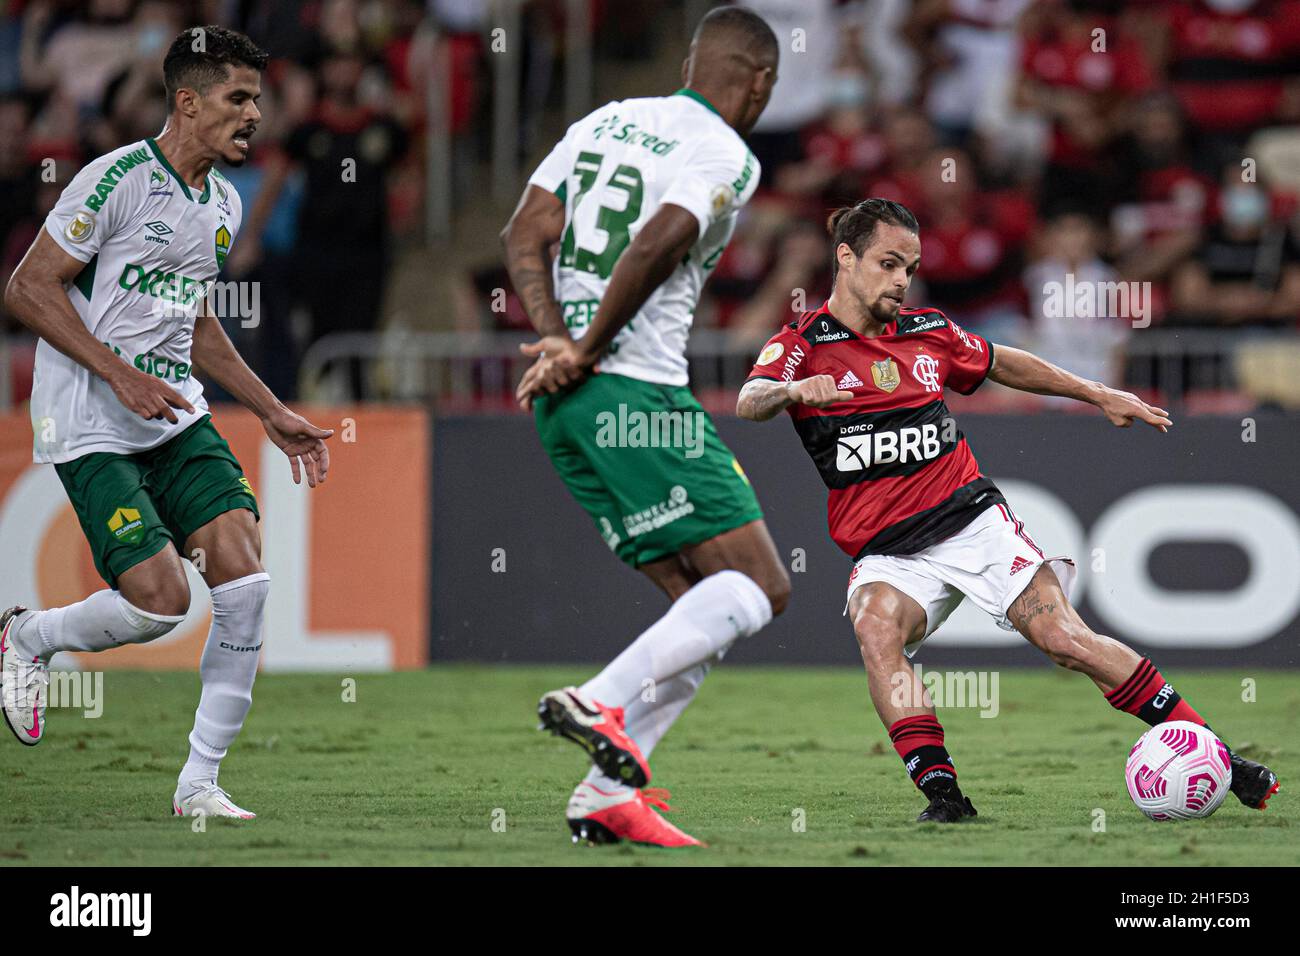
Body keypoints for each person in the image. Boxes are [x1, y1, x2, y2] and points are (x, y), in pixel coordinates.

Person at [736, 197, 1279, 822]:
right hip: (888, 549)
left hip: (972, 524)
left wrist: (1095, 391)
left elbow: (1004, 363)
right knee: (875, 627)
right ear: (845, 257)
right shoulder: (801, 346)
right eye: (888, 264)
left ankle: (1222, 758)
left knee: (1064, 639)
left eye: (908, 268)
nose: (900, 280)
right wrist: (791, 389)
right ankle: (945, 796)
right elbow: (751, 399)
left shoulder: (927, 331)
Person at [1, 26, 333, 820]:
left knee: (246, 585)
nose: (255, 114)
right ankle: (28, 637)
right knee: (157, 604)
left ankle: (199, 786)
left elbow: (198, 323)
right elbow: (28, 287)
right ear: (188, 101)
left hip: (173, 413)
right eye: (239, 98)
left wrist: (272, 409)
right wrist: (119, 372)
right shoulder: (113, 179)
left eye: (256, 99)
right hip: (88, 419)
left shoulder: (220, 201)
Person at [502, 6, 788, 848]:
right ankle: (600, 700)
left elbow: (524, 230)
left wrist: (554, 337)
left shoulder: (607, 119)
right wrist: (586, 347)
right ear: (760, 82)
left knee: (702, 613)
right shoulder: (728, 153)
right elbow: (660, 243)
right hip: (634, 394)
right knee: (762, 589)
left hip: (565, 405)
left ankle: (604, 795)